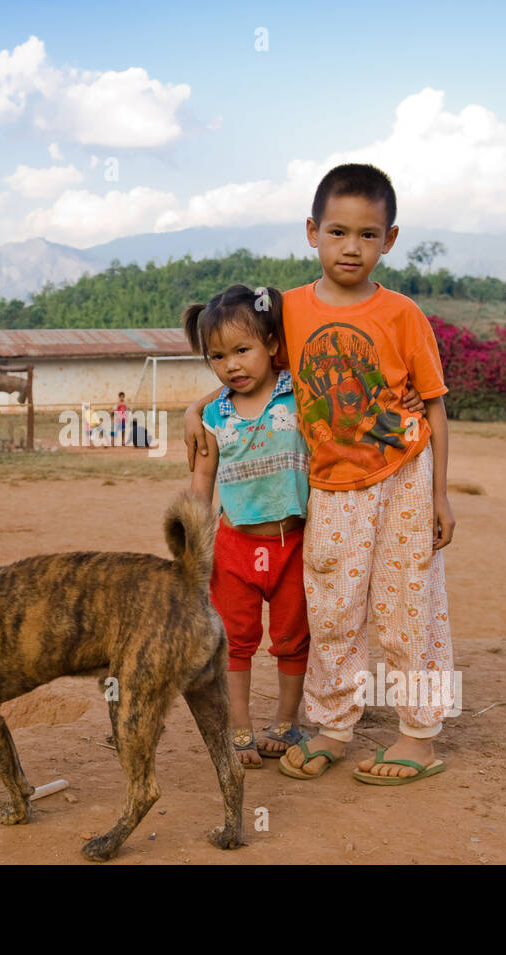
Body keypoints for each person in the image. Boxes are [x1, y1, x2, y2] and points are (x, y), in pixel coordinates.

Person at [185, 163, 454, 785]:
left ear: (389, 239)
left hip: (404, 473)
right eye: (338, 232)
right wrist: (195, 406)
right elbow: (245, 366)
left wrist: (440, 494)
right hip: (329, 485)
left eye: (367, 234)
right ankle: (333, 723)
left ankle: (418, 734)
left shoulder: (404, 314)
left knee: (406, 601)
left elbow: (434, 402)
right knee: (330, 605)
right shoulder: (289, 311)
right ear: (312, 232)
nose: (351, 246)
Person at [183, 284, 311, 767]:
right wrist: (193, 545)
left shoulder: (296, 393)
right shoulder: (214, 418)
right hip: (235, 548)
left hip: (294, 544)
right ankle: (239, 726)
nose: (232, 365)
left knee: (292, 637)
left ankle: (285, 721)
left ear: (273, 345)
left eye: (242, 350)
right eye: (217, 357)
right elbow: (201, 480)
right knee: (235, 642)